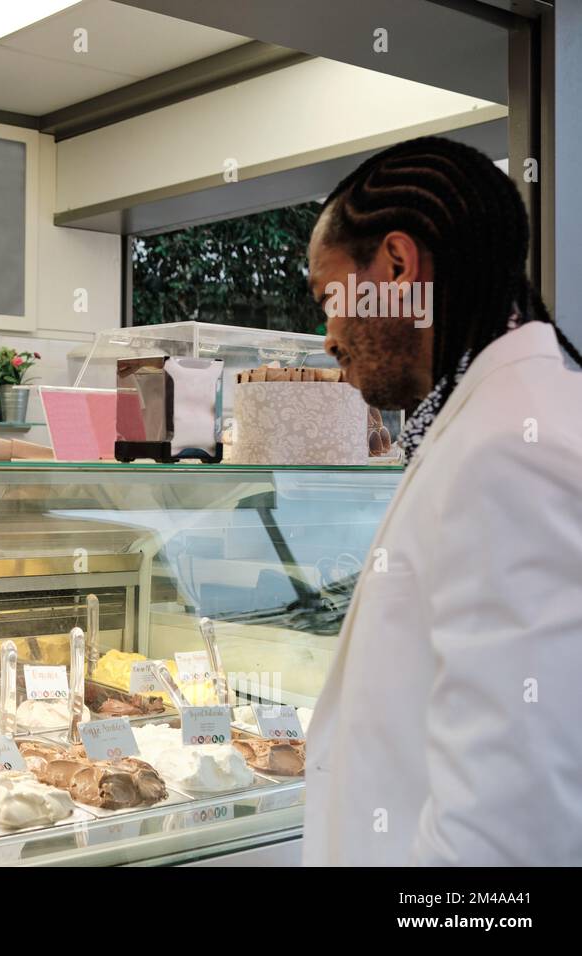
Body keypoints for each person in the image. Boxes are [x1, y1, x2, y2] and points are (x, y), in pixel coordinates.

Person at [302, 136, 582, 865]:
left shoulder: (509, 450)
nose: (329, 337)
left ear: (396, 266)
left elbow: (507, 834)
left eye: (329, 297)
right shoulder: (501, 416)